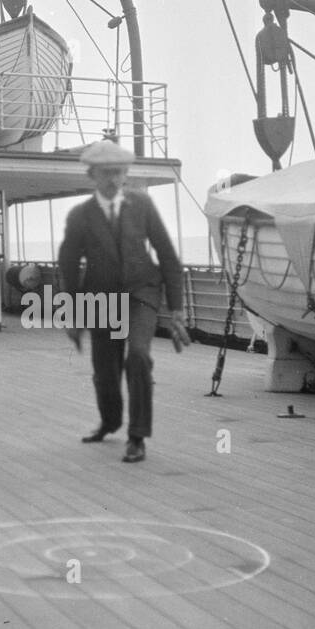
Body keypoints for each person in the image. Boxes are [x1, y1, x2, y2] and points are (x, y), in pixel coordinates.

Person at [58, 138, 187, 464]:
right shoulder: (80, 216)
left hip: (141, 293)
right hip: (101, 298)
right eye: (106, 173)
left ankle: (137, 436)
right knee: (105, 369)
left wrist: (176, 309)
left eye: (119, 172)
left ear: (126, 174)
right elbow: (69, 266)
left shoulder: (142, 205)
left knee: (139, 357)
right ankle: (110, 421)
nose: (114, 179)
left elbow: (168, 255)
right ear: (92, 175)